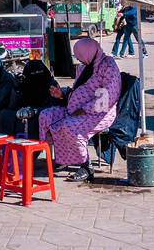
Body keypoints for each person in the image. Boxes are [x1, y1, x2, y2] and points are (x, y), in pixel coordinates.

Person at [39, 37, 121, 181]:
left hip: (100, 113)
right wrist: (62, 94)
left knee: (71, 126)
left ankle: (86, 166)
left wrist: (85, 109)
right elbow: (77, 90)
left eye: (80, 57)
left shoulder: (108, 66)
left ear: (88, 52)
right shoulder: (84, 66)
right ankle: (63, 158)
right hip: (75, 109)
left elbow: (109, 96)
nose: (80, 60)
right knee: (46, 116)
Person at [12, 58, 64, 139]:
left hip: (47, 115)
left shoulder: (51, 85)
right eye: (33, 75)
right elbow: (19, 102)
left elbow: (56, 105)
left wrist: (36, 111)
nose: (36, 78)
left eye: (39, 74)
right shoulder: (24, 84)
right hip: (27, 114)